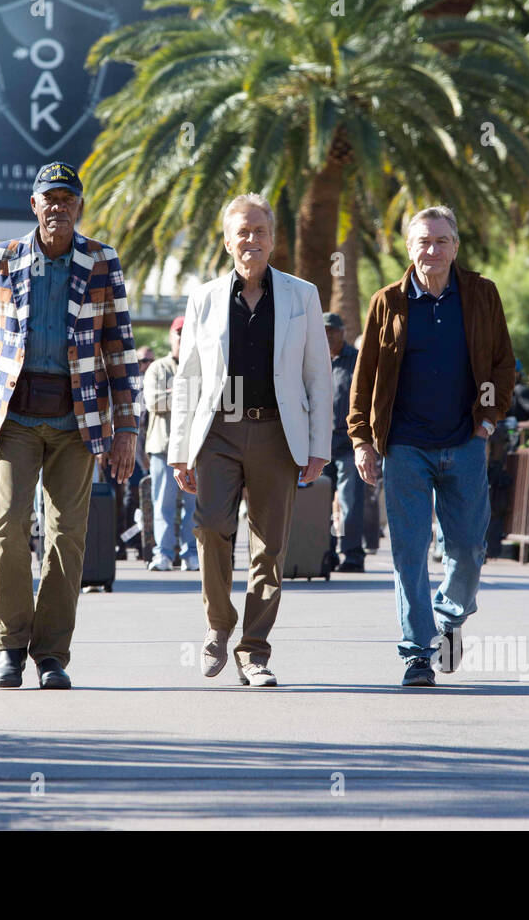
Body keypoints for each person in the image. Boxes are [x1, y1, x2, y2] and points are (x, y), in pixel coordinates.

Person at [0, 160, 141, 690]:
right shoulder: (4, 258)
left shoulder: (101, 260)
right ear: (34, 205)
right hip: (15, 416)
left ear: (79, 207)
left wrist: (125, 430)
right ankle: (11, 645)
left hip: (77, 419)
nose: (58, 208)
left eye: (68, 199)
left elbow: (120, 351)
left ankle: (52, 654)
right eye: (50, 199)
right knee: (10, 524)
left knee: (68, 535)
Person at [169, 193, 333, 687]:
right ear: (226, 241)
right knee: (211, 526)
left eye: (260, 231)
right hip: (218, 429)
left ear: (273, 239)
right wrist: (180, 450)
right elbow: (188, 378)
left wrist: (319, 445)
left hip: (278, 434)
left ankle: (254, 651)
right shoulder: (204, 298)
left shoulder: (302, 296)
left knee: (270, 548)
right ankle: (219, 625)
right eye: (242, 232)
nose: (251, 240)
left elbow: (318, 375)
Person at [347, 205, 515, 687]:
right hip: (405, 447)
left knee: (467, 547)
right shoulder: (387, 303)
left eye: (441, 241)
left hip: (465, 442)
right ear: (408, 247)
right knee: (409, 551)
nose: (432, 250)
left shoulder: (481, 295)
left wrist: (487, 419)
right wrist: (362, 440)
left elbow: (504, 364)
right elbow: (365, 380)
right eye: (423, 241)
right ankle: (417, 653)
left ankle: (449, 619)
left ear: (456, 246)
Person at [144, 316, 197, 571]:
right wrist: (186, 394)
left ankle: (191, 553)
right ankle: (162, 554)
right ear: (171, 337)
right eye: (179, 334)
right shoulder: (157, 368)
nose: (183, 338)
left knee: (194, 504)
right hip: (162, 449)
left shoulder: (201, 366)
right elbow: (153, 402)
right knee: (162, 504)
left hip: (195, 450)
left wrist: (175, 395)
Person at [323, 311, 366, 573]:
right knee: (318, 505)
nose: (328, 336)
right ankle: (323, 555)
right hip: (319, 447)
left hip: (349, 445)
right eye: (324, 331)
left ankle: (352, 556)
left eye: (332, 331)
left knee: (350, 504)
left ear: (342, 332)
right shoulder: (314, 360)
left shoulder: (357, 360)